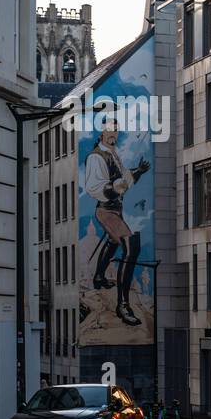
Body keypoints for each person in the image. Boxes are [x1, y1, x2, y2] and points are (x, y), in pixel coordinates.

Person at [82, 107, 150, 327]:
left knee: (113, 240)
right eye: (109, 130)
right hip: (106, 210)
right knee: (131, 245)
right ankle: (123, 305)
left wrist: (137, 171)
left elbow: (123, 180)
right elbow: (96, 187)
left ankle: (99, 277)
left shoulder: (112, 153)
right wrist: (117, 186)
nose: (113, 134)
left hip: (115, 209)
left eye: (116, 130)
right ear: (101, 132)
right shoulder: (96, 156)